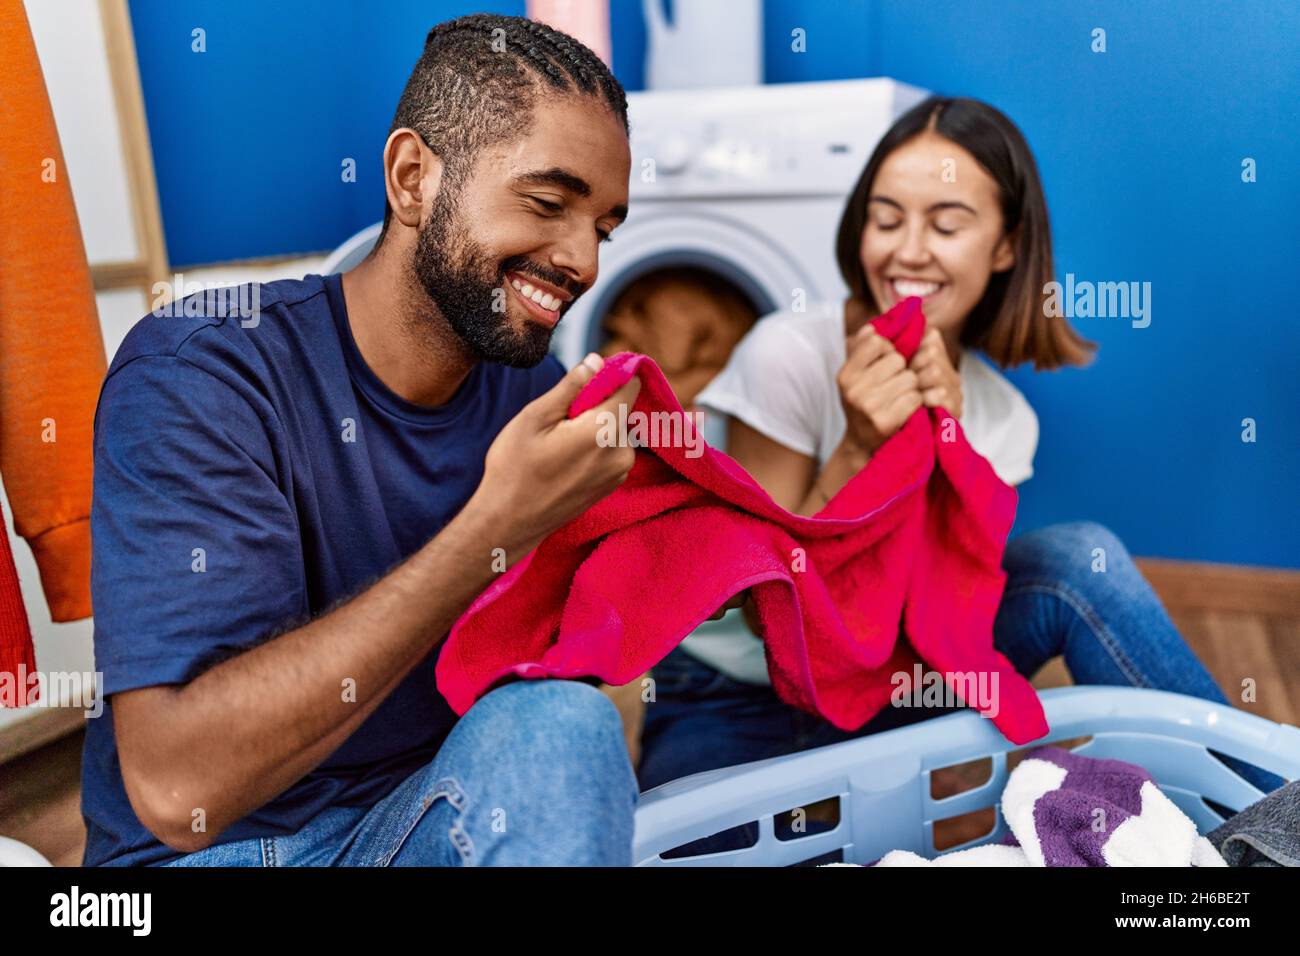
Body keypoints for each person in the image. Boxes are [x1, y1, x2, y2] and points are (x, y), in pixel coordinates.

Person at [83, 13, 642, 867]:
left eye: (603, 228)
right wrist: (494, 530)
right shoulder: (203, 372)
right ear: (412, 176)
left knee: (565, 722)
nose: (583, 261)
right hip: (214, 856)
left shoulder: (530, 389)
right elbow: (175, 788)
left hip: (417, 819)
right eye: (547, 203)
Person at [638, 96, 1284, 806]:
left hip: (888, 688)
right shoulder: (786, 355)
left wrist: (946, 457)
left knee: (1075, 557)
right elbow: (770, 619)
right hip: (737, 699)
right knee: (686, 839)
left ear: (1006, 246)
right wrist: (859, 449)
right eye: (886, 220)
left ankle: (1266, 817)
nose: (907, 251)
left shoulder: (1002, 420)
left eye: (946, 224)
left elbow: (941, 617)